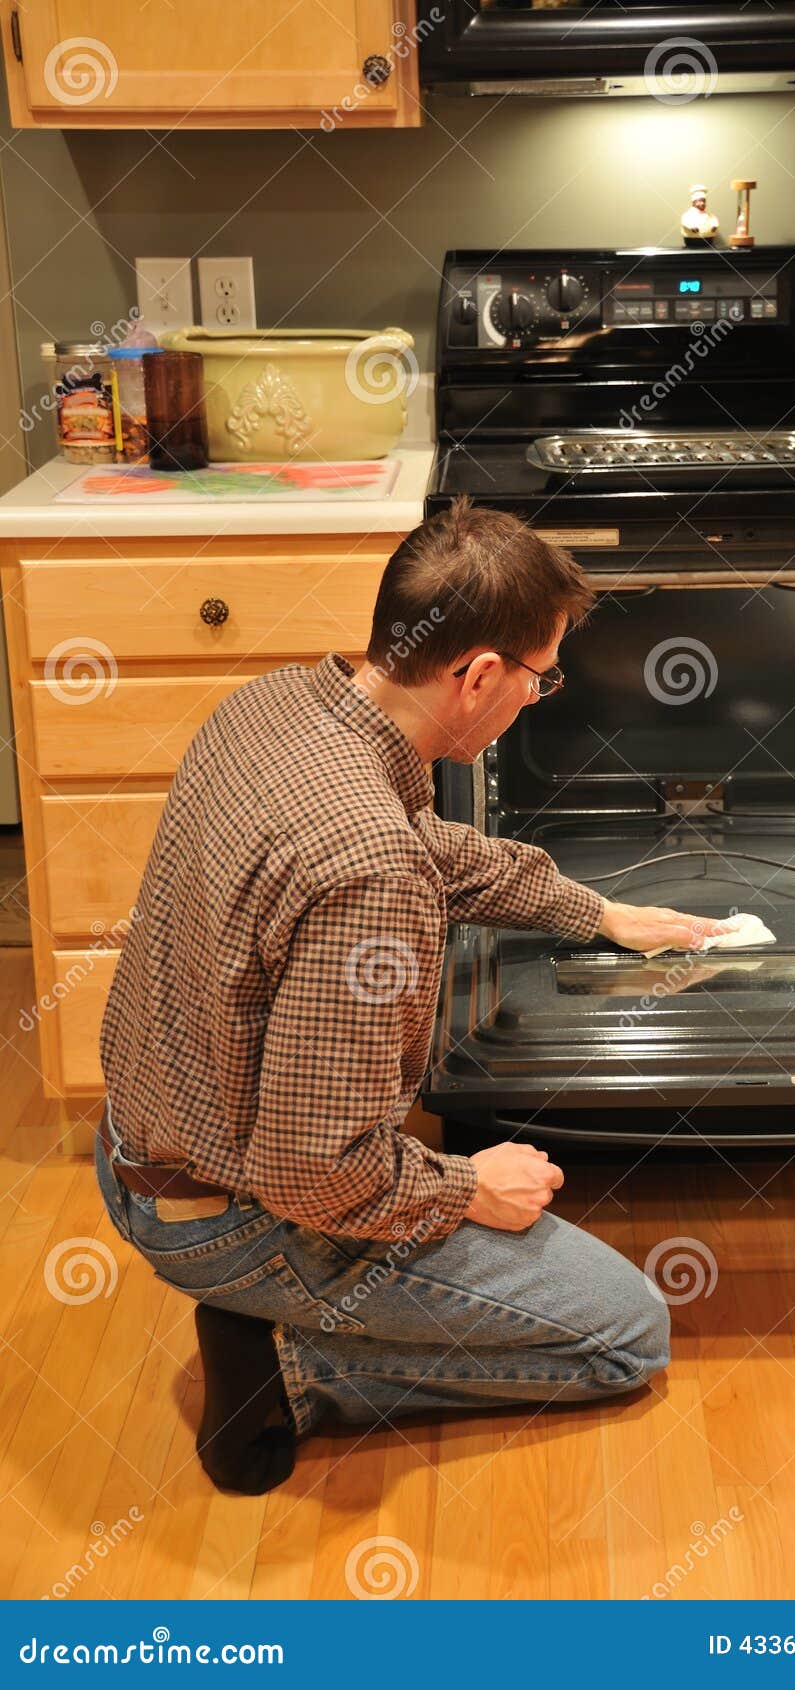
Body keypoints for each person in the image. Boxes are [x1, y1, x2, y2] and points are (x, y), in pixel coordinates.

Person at [95, 497, 722, 1494]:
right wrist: (471, 1185)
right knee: (628, 1334)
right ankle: (289, 1370)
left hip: (136, 1147)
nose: (537, 695)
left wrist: (595, 911)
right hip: (233, 1212)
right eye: (538, 676)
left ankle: (275, 1310)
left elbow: (423, 848)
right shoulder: (368, 869)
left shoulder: (281, 703)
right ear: (477, 674)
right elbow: (317, 1179)